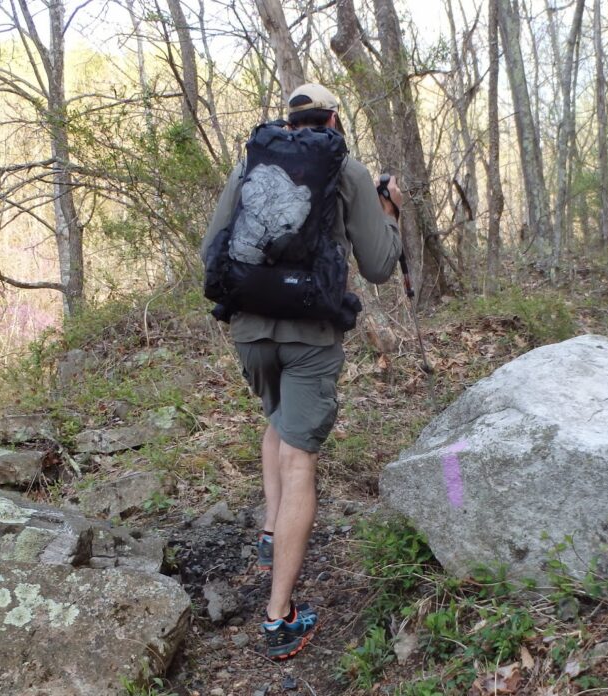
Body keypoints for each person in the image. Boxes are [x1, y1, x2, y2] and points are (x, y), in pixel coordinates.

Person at [201, 83, 403, 660]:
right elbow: (381, 266)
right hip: (312, 333)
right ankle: (279, 617)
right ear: (335, 118)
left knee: (281, 424)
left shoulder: (251, 163)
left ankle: (271, 534)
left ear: (290, 119)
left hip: (249, 330)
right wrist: (390, 211)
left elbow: (211, 247)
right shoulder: (348, 169)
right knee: (299, 460)